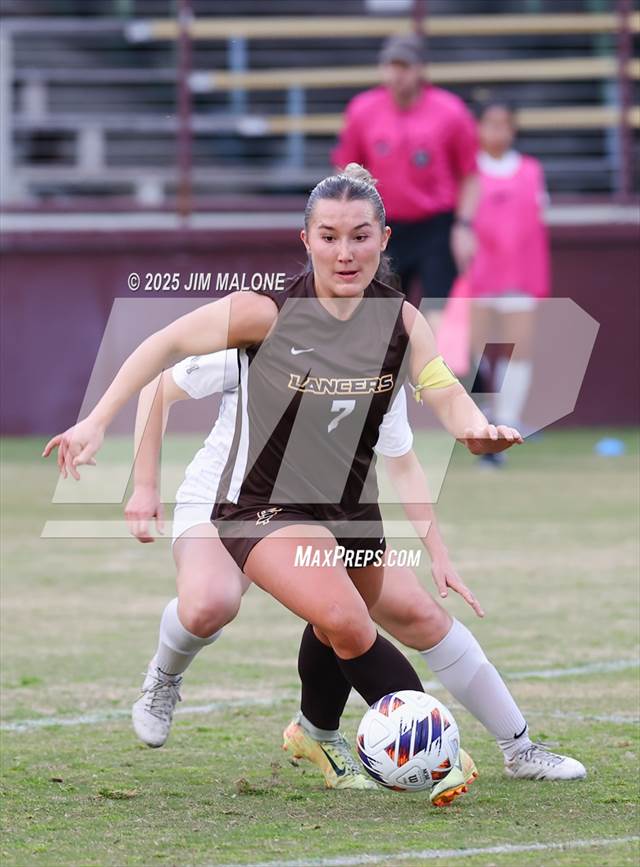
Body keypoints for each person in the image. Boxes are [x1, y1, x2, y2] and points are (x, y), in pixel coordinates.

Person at [44, 163, 526, 808]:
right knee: (243, 608)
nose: (345, 251)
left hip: (346, 509)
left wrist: (477, 430)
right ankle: (437, 751)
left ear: (385, 238)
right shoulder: (262, 314)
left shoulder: (402, 325)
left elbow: (441, 395)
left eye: (360, 235)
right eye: (328, 236)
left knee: (389, 615)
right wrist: (100, 424)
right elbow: (159, 350)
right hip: (255, 502)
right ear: (305, 240)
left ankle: (482, 745)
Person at [125, 349, 586, 786]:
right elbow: (158, 388)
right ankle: (164, 677)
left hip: (324, 512)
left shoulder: (380, 362)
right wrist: (145, 485)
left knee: (416, 615)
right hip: (225, 502)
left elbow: (403, 464)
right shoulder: (267, 332)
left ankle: (519, 749)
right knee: (211, 604)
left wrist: (438, 551)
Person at [332, 34, 479, 332]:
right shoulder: (363, 110)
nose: (397, 75)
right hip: (385, 226)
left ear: (421, 69)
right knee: (380, 313)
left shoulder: (450, 112)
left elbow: (471, 175)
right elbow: (346, 168)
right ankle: (385, 377)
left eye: (405, 66)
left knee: (440, 314)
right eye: (391, 66)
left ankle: (450, 377)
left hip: (435, 227)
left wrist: (463, 226)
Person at [466, 101, 551, 465]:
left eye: (504, 125)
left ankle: (509, 420)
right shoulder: (468, 172)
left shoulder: (531, 170)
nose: (497, 132)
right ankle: (484, 418)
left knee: (520, 347)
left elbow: (537, 222)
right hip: (478, 273)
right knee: (479, 349)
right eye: (490, 124)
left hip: (520, 274)